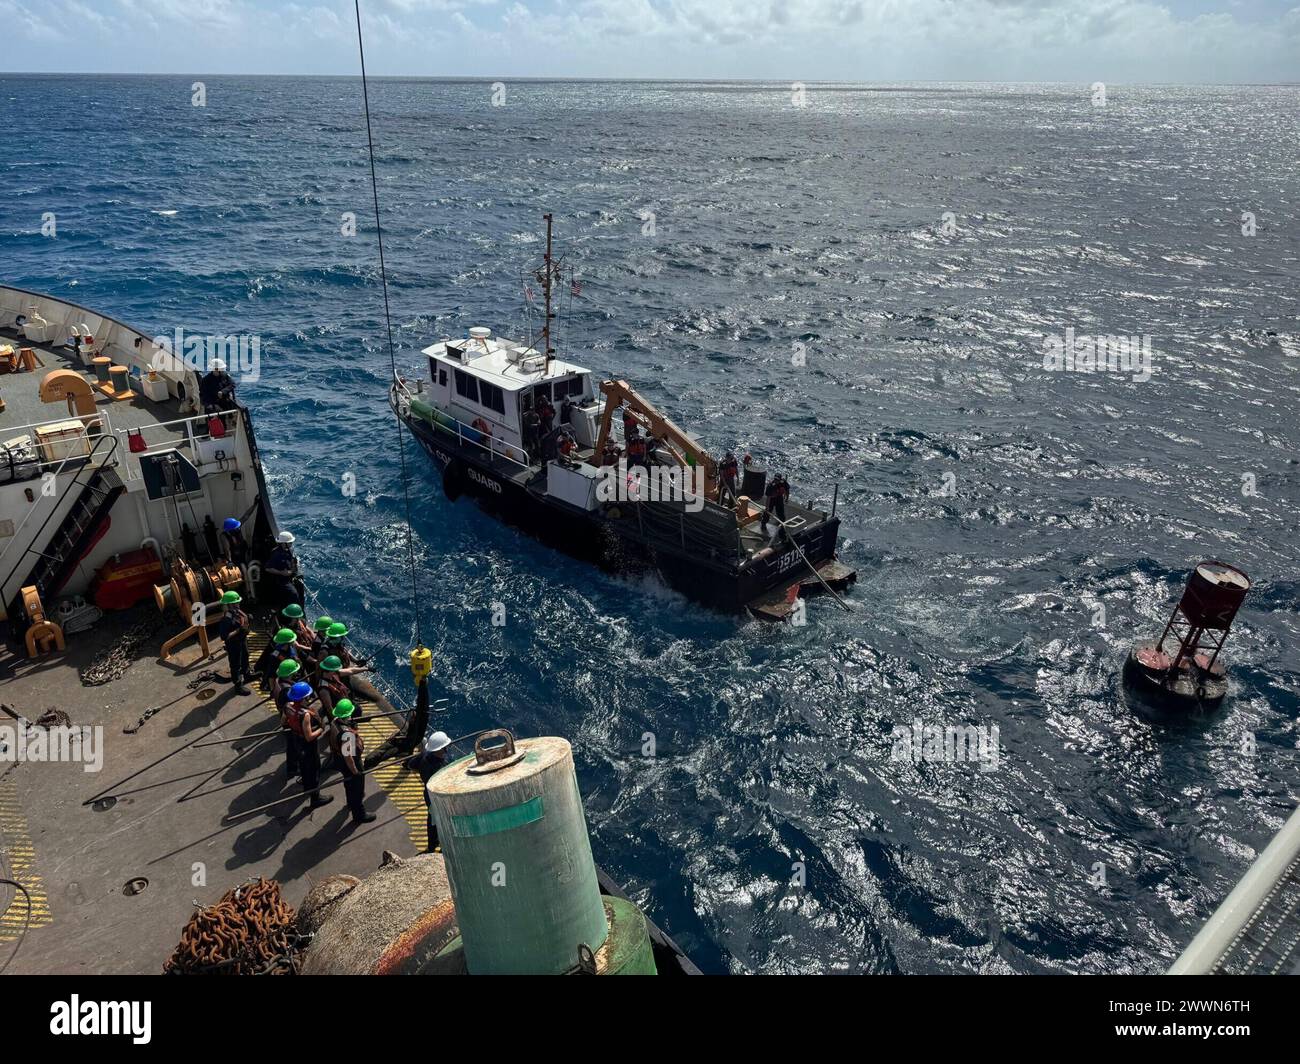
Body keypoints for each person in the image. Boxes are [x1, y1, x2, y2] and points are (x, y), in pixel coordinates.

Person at [286, 681, 333, 809]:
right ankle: (315, 798)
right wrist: (321, 729)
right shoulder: (305, 714)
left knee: (303, 765)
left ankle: (305, 783)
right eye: (307, 696)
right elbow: (309, 736)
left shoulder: (288, 705)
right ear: (303, 698)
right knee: (313, 770)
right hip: (307, 746)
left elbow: (284, 721)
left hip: (296, 740)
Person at [330, 699, 375, 824]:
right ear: (348, 714)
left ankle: (350, 802)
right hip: (350, 763)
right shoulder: (346, 735)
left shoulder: (334, 722)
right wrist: (355, 771)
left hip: (339, 760)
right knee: (357, 788)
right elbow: (348, 756)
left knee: (348, 783)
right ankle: (359, 815)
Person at [411, 731, 452, 852]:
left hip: (428, 795)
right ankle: (442, 847)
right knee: (442, 822)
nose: (447, 749)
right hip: (438, 799)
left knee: (432, 820)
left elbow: (410, 764)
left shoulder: (423, 756)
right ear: (441, 749)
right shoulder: (441, 767)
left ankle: (431, 845)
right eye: (445, 747)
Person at [216, 590, 251, 695]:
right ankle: (238, 685)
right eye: (236, 603)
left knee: (245, 656)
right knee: (236, 664)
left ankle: (247, 674)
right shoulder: (226, 620)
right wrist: (238, 630)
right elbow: (225, 636)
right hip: (233, 645)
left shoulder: (237, 613)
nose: (238, 604)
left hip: (242, 640)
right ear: (229, 605)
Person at [273, 659, 303, 779]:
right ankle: (292, 768)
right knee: (293, 745)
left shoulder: (278, 681)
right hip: (290, 720)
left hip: (283, 714)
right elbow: (288, 709)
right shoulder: (287, 690)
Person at [263, 530, 303, 612]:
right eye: (289, 543)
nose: (291, 544)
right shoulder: (276, 555)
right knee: (293, 594)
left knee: (300, 588)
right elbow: (267, 568)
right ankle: (294, 614)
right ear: (283, 543)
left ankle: (300, 611)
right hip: (281, 580)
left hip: (290, 576)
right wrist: (281, 572)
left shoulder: (289, 551)